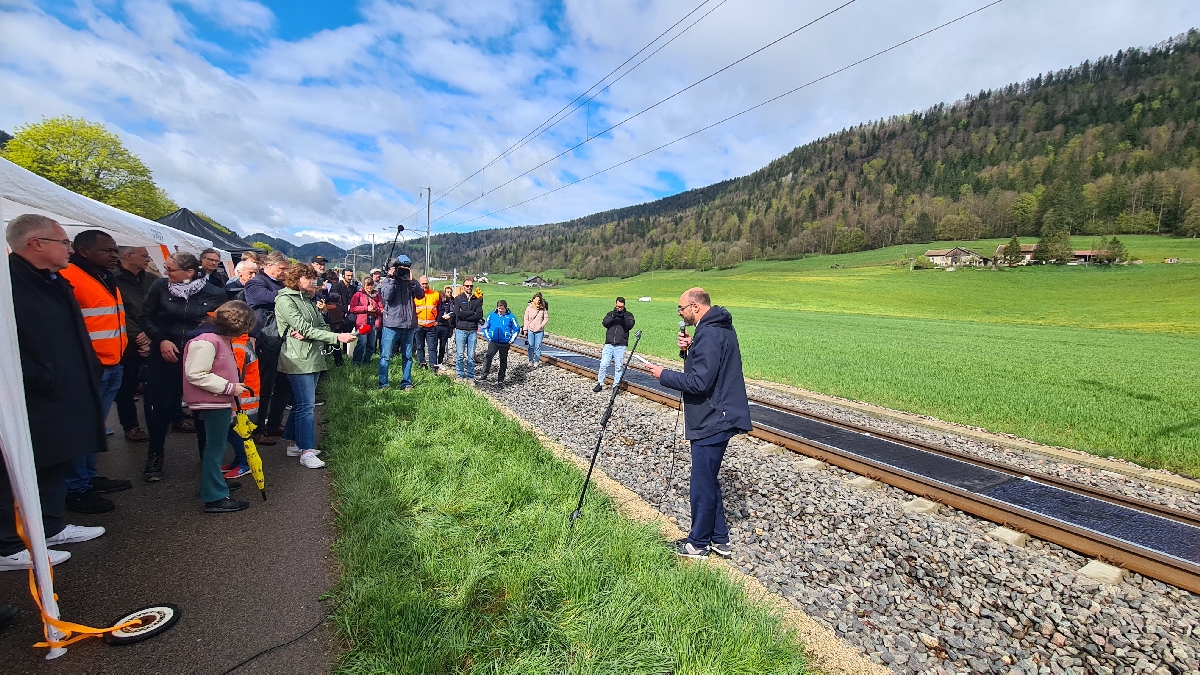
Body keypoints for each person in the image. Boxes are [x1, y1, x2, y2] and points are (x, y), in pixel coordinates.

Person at [2, 214, 107, 570]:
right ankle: (7, 545)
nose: (69, 249)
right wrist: (40, 376)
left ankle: (49, 527)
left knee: (54, 458)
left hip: (63, 387)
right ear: (36, 244)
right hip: (31, 393)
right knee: (14, 469)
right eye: (63, 242)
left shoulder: (53, 281)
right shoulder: (9, 284)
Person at [646, 288, 752, 560]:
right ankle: (719, 539)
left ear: (695, 306)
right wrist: (691, 348)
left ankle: (698, 544)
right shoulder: (718, 328)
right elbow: (710, 365)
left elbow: (699, 382)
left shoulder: (710, 333)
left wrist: (663, 375)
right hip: (720, 415)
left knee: (702, 484)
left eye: (681, 308)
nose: (680, 313)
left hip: (712, 418)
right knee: (709, 480)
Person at [59, 230, 133, 514]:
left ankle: (87, 477)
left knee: (95, 427)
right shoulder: (70, 277)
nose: (115, 255)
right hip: (91, 367)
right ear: (84, 251)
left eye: (115, 250)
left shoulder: (104, 277)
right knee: (83, 428)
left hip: (113, 362)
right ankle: (76, 488)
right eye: (108, 251)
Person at [141, 252, 227, 481]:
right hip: (165, 356)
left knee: (202, 410)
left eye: (170, 269)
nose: (165, 273)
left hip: (199, 359)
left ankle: (208, 462)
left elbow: (220, 326)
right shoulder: (160, 287)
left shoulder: (215, 293)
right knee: (161, 409)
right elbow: (146, 317)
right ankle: (155, 457)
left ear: (189, 272)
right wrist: (160, 339)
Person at [274, 264, 355, 468]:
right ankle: (306, 451)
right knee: (306, 406)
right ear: (296, 279)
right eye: (308, 278)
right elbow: (304, 328)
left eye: (313, 278)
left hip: (313, 356)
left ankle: (294, 444)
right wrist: (335, 337)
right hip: (297, 359)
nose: (313, 282)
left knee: (301, 404)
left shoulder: (307, 298)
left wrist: (314, 333)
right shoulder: (285, 300)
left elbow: (321, 325)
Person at [182, 301, 256, 513]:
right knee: (215, 450)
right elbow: (196, 374)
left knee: (215, 448)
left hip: (218, 400)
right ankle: (214, 496)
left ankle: (212, 484)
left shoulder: (216, 339)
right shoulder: (207, 341)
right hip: (212, 401)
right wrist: (229, 387)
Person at [243, 251, 290, 445]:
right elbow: (265, 298)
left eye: (286, 270)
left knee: (283, 384)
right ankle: (257, 428)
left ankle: (274, 423)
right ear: (268, 266)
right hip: (265, 338)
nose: (285, 273)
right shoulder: (255, 283)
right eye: (282, 269)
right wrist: (291, 292)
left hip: (283, 340)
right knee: (264, 386)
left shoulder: (282, 285)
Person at [114, 246, 156, 442]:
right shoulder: (112, 278)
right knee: (126, 385)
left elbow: (159, 307)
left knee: (156, 384)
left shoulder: (151, 279)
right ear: (128, 256)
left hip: (151, 337)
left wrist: (150, 333)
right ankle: (131, 426)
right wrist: (137, 334)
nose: (148, 260)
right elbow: (117, 311)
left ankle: (168, 419)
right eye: (144, 256)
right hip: (127, 341)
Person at [377, 256, 423, 390]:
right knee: (386, 356)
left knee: (408, 356)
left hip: (408, 325)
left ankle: (406, 383)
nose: (403, 271)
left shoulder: (410, 281)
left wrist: (412, 281)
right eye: (402, 268)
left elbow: (421, 295)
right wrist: (391, 279)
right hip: (391, 325)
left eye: (406, 268)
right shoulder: (388, 280)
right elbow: (386, 297)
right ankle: (383, 384)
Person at [222, 331, 261, 479]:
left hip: (242, 401)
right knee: (234, 430)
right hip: (242, 398)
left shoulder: (238, 347)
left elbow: (234, 374)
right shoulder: (239, 343)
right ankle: (239, 460)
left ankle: (245, 463)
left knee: (236, 431)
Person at [594, 297, 635, 393]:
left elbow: (630, 325)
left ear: (624, 306)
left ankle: (616, 386)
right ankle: (600, 383)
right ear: (615, 305)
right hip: (609, 344)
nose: (619, 308)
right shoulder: (610, 314)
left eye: (621, 307)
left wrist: (623, 316)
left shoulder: (628, 315)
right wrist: (613, 315)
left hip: (621, 345)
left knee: (619, 367)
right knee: (603, 364)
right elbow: (605, 323)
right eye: (617, 306)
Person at [480, 300, 521, 385]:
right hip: (493, 341)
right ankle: (484, 375)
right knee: (488, 356)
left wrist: (511, 340)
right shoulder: (491, 315)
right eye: (499, 308)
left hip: (504, 342)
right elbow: (485, 326)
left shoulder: (511, 317)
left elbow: (516, 329)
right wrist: (488, 337)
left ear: (505, 308)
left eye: (502, 309)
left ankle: (500, 379)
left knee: (503, 361)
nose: (500, 310)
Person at [452, 278, 484, 380]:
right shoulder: (458, 299)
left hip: (472, 331)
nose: (469, 287)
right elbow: (458, 314)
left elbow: (479, 315)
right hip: (461, 330)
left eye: (471, 286)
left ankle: (470, 377)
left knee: (471, 356)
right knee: (460, 355)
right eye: (467, 286)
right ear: (463, 287)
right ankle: (460, 375)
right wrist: (471, 313)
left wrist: (465, 314)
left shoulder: (476, 300)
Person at [349, 277, 382, 365]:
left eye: (371, 285)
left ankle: (367, 362)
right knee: (362, 342)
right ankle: (356, 362)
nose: (369, 287)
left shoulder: (377, 295)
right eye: (367, 285)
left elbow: (381, 308)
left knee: (371, 343)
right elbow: (352, 308)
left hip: (373, 321)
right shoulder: (358, 295)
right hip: (362, 321)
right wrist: (366, 308)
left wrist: (375, 309)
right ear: (364, 285)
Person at [413, 276, 440, 370]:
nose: (425, 285)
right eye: (423, 284)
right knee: (420, 346)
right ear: (419, 284)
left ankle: (433, 365)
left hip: (431, 326)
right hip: (419, 325)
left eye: (426, 283)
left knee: (432, 347)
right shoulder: (415, 296)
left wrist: (437, 320)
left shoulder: (435, 294)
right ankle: (422, 363)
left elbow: (440, 308)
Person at [522, 292, 549, 366]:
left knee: (538, 346)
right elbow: (526, 319)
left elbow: (546, 318)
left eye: (539, 300)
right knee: (531, 345)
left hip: (539, 331)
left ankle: (537, 361)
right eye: (536, 299)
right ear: (533, 299)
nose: (537, 301)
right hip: (530, 329)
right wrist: (525, 329)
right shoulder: (529, 308)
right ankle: (530, 360)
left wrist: (541, 325)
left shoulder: (543, 308)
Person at [433, 287, 455, 372]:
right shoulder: (435, 303)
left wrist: (449, 315)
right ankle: (434, 362)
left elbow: (452, 312)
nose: (444, 298)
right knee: (434, 345)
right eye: (443, 296)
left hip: (445, 326)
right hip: (437, 326)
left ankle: (440, 362)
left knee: (443, 346)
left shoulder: (449, 302)